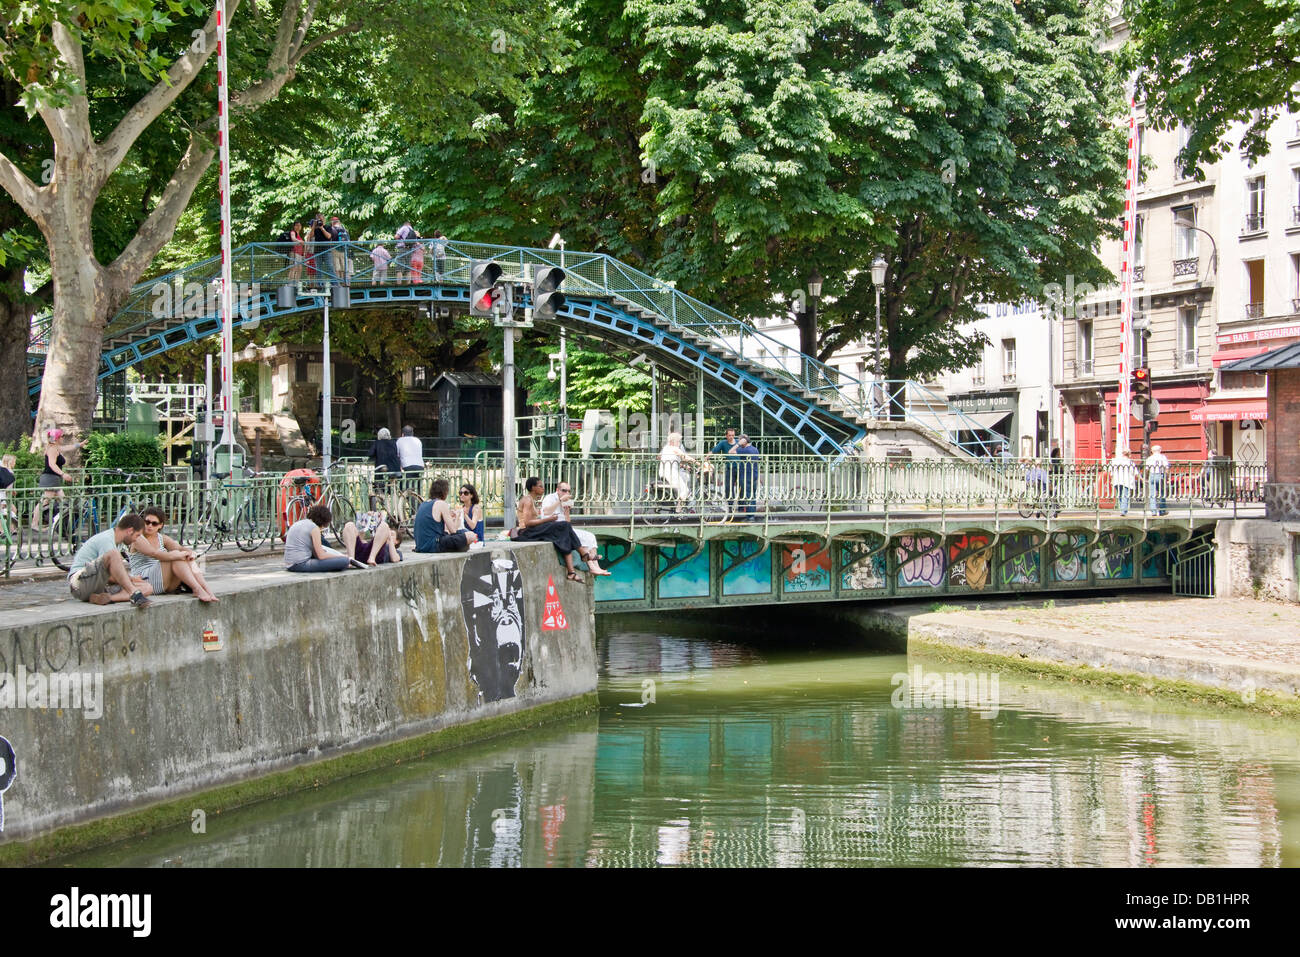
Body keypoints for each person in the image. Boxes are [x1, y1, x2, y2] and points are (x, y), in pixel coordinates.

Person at [128, 506, 219, 602]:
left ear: (160, 525)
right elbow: (154, 553)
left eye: (154, 523)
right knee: (176, 555)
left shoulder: (162, 538)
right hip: (144, 581)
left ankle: (205, 589)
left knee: (184, 556)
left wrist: (190, 553)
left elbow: (179, 548)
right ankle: (197, 589)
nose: (150, 526)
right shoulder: (137, 537)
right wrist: (178, 554)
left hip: (166, 583)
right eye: (147, 522)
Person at [67, 513, 153, 607]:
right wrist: (131, 579)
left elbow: (113, 575)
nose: (136, 540)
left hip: (96, 586)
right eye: (137, 535)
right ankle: (134, 594)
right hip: (79, 583)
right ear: (130, 530)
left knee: (147, 587)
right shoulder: (107, 539)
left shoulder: (118, 542)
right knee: (114, 554)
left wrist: (132, 580)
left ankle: (105, 598)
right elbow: (112, 576)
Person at [513, 477, 584, 582]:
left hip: (533, 530)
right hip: (527, 532)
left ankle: (571, 571)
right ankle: (582, 554)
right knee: (564, 526)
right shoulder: (527, 500)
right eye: (540, 486)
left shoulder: (531, 500)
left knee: (564, 528)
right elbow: (528, 523)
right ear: (533, 488)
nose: (543, 489)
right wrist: (549, 519)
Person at [539, 481, 611, 575]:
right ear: (557, 490)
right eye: (564, 490)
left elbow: (568, 523)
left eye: (568, 491)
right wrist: (559, 501)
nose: (566, 493)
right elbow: (546, 512)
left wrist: (567, 511)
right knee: (580, 538)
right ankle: (591, 567)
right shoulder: (550, 498)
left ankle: (597, 566)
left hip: (565, 529)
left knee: (590, 536)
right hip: (551, 529)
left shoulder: (566, 501)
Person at [33, 427, 85, 530]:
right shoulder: (52, 449)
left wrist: (80, 444)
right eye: (61, 436)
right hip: (50, 478)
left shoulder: (56, 447)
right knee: (45, 501)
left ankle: (64, 524)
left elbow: (67, 448)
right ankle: (35, 524)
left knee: (63, 501)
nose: (62, 438)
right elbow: (52, 464)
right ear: (56, 438)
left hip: (53, 478)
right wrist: (63, 474)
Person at [414, 478, 477, 552]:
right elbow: (453, 531)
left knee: (462, 532)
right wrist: (457, 516)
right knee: (471, 536)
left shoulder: (424, 504)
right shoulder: (441, 503)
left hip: (420, 546)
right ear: (445, 492)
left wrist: (448, 516)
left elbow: (442, 529)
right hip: (433, 545)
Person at [284, 505, 350, 572]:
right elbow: (320, 556)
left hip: (289, 564)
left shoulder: (299, 523)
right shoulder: (314, 528)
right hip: (300, 564)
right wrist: (342, 557)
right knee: (345, 561)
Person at [658, 431, 698, 509]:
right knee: (685, 490)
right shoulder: (674, 448)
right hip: (671, 473)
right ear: (674, 441)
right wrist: (698, 463)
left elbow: (664, 458)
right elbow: (685, 457)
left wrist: (683, 465)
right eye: (679, 441)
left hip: (665, 472)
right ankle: (679, 509)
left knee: (680, 489)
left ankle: (679, 507)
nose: (679, 443)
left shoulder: (666, 448)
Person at [367, 427, 401, 492]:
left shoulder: (377, 443)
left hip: (382, 470)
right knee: (392, 488)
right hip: (395, 469)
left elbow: (370, 453)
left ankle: (381, 496)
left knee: (378, 486)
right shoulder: (394, 442)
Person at [712, 428, 740, 507]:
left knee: (742, 486)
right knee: (728, 487)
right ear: (726, 436)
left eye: (733, 435)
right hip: (730, 468)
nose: (731, 437)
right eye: (729, 435)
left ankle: (742, 506)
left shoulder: (738, 443)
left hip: (741, 467)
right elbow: (714, 450)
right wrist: (706, 457)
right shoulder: (723, 443)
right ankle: (730, 506)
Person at [734, 434, 761, 516]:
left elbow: (731, 451)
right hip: (754, 474)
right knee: (752, 494)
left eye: (739, 440)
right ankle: (750, 513)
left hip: (746, 475)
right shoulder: (755, 449)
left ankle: (750, 516)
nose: (738, 442)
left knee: (748, 495)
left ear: (743, 441)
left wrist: (738, 445)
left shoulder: (743, 450)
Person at [1110, 449, 1136, 517]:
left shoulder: (1116, 461)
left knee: (1120, 494)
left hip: (1117, 479)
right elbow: (1135, 472)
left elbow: (1110, 470)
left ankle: (1122, 509)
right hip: (1126, 480)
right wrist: (1142, 479)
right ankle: (1123, 510)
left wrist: (1111, 477)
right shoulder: (1130, 462)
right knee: (1125, 495)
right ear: (1129, 454)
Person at [1146, 444, 1170, 516]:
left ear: (1152, 451)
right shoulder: (1163, 457)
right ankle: (1162, 511)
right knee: (1162, 493)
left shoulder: (1150, 458)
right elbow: (1166, 468)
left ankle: (1153, 511)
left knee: (1152, 494)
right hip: (1160, 475)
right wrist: (1167, 477)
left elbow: (1147, 469)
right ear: (1160, 450)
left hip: (1152, 475)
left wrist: (1146, 477)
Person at [329, 216, 352, 286]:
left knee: (336, 268)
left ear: (332, 222)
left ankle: (337, 283)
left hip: (335, 249)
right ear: (338, 222)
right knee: (344, 267)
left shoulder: (332, 229)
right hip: (344, 250)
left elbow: (330, 239)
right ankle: (345, 282)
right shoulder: (344, 229)